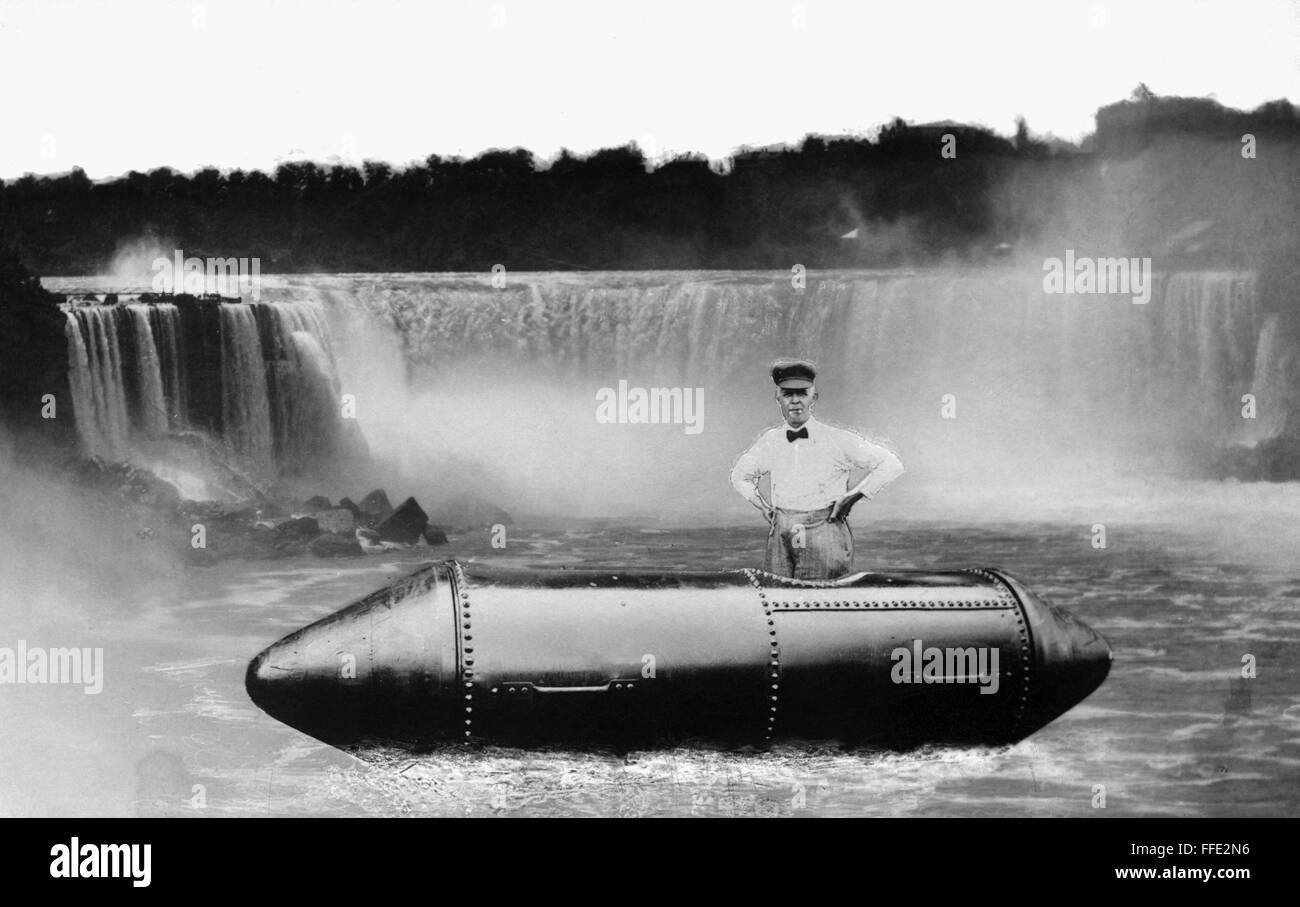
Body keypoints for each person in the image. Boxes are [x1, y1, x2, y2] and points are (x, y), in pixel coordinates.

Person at [729, 358, 904, 580]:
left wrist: (852, 497)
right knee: (780, 600)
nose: (795, 401)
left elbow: (892, 464)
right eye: (787, 394)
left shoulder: (837, 439)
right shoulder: (769, 440)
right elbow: (740, 476)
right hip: (781, 533)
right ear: (778, 398)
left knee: (820, 604)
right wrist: (763, 506)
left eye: (801, 393)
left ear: (814, 397)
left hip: (825, 532)